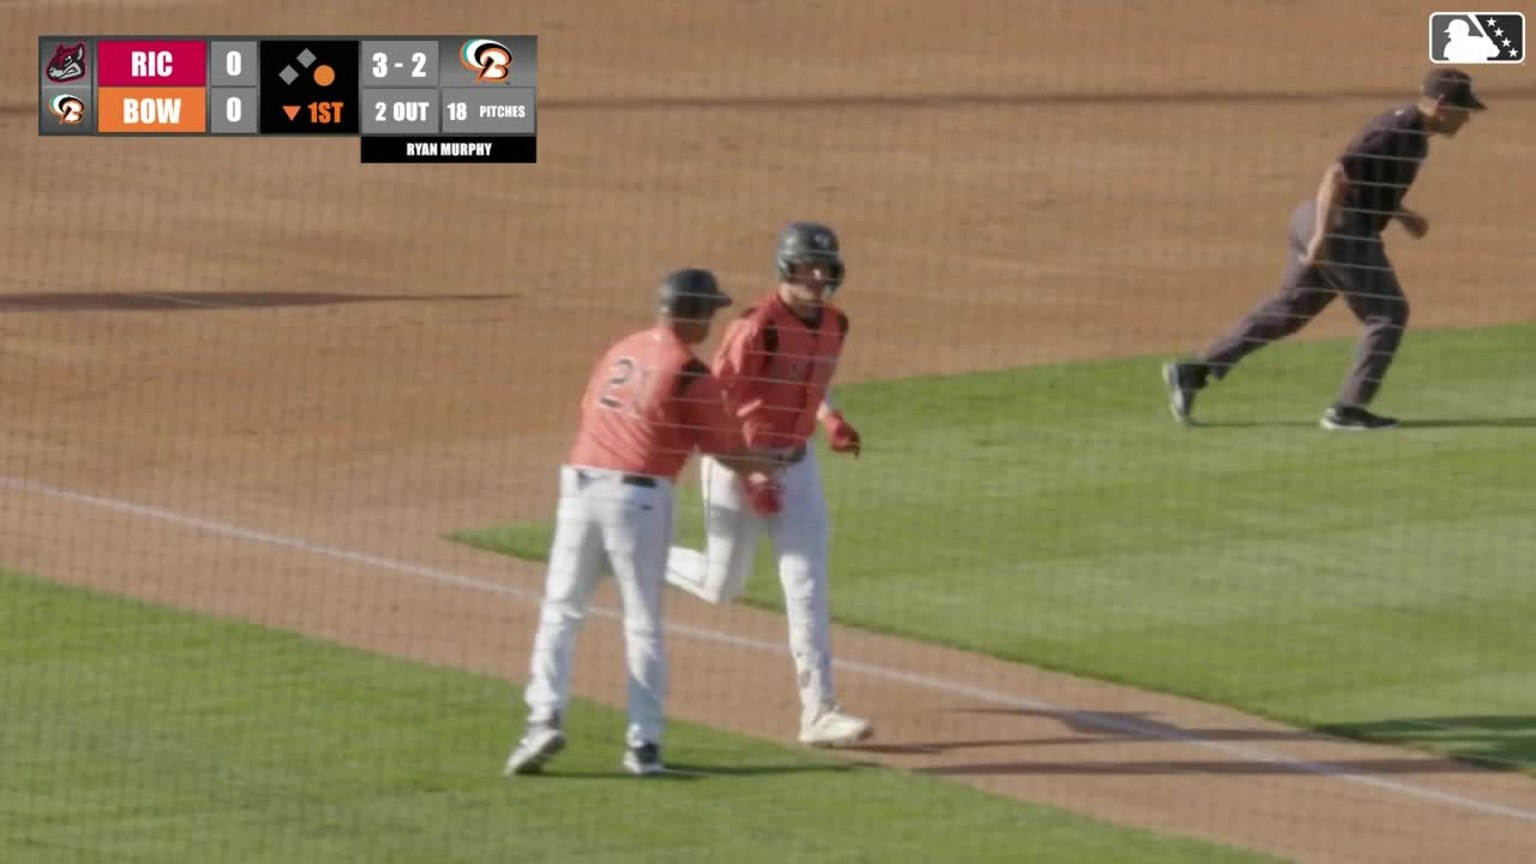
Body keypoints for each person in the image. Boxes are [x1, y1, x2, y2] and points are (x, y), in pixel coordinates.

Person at [504, 269, 778, 777]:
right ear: (694, 315)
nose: (712, 322)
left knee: (561, 610)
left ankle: (542, 719)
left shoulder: (622, 347)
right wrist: (773, 468)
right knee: (643, 622)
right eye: (709, 312)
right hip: (638, 500)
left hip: (580, 488)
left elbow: (591, 408)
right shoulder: (690, 372)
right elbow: (727, 451)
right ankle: (644, 746)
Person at [1162, 68, 1487, 431]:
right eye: (1464, 110)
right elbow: (1337, 174)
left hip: (1325, 221)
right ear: (1442, 105)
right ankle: (1347, 410)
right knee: (1388, 312)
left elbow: (1368, 185)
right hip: (1337, 226)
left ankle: (1194, 371)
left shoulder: (1415, 137)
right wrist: (1320, 236)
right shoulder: (1396, 130)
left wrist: (1403, 215)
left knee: (1289, 310)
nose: (1467, 119)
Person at [664, 221, 872, 748]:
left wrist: (830, 419)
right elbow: (714, 403)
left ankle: (819, 712)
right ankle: (638, 551)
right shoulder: (756, 328)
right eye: (811, 266)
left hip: (798, 468)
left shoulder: (836, 324)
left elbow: (811, 382)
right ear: (787, 266)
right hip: (737, 462)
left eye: (827, 267)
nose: (821, 276)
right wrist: (749, 470)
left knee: (806, 586)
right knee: (721, 586)